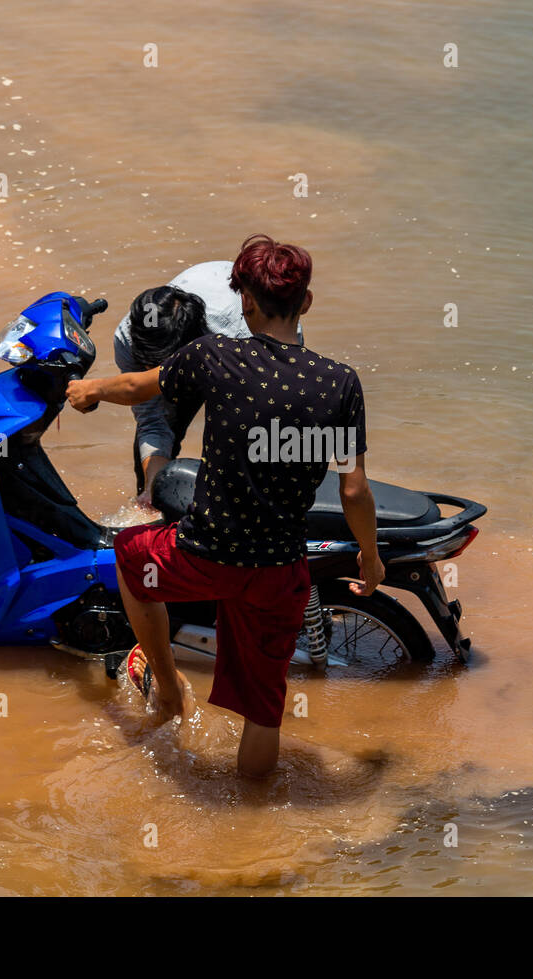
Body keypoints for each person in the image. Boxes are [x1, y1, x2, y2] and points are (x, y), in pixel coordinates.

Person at [66, 235, 382, 778]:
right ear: (305, 304)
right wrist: (371, 559)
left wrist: (90, 390)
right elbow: (353, 490)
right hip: (280, 570)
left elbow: (137, 388)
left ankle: (167, 690)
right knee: (266, 714)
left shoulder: (215, 356)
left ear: (245, 303)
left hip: (204, 555)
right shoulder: (339, 383)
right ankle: (252, 825)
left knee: (127, 555)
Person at [113, 260, 300, 506]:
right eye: (148, 369)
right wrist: (153, 489)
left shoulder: (241, 339)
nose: (152, 376)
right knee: (153, 479)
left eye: (163, 370)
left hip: (254, 351)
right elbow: (152, 423)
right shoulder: (127, 340)